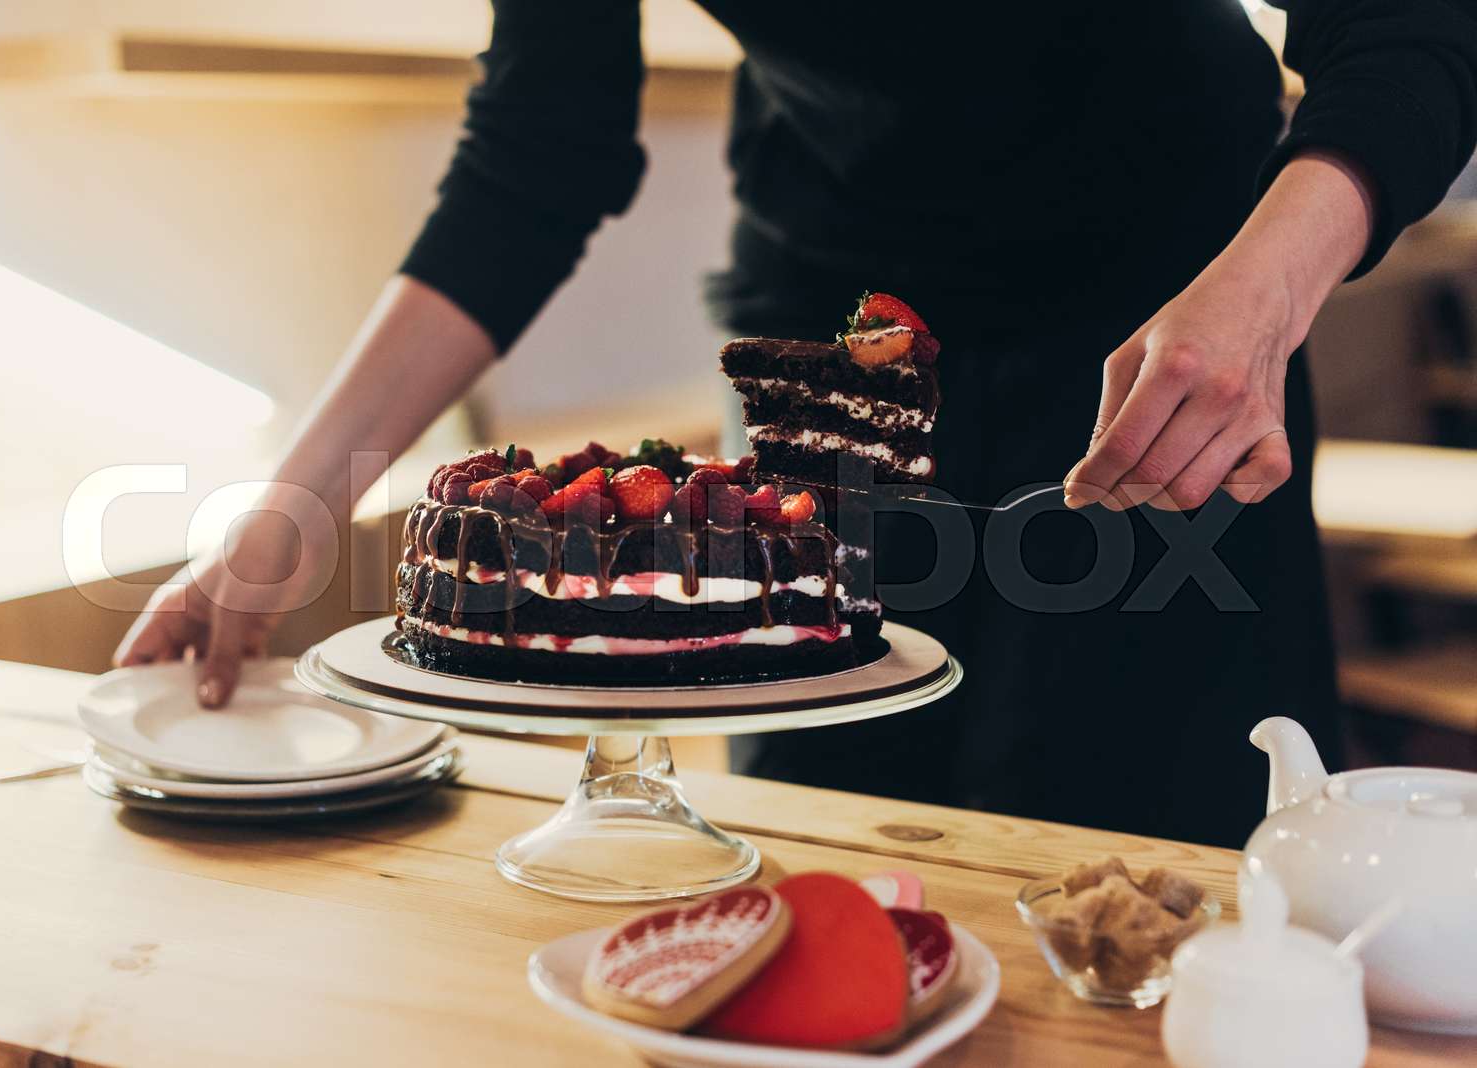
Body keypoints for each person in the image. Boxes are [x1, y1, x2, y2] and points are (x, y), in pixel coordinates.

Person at [117, 2, 1477, 846]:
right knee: (831, 847)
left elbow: (1406, 22)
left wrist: (1266, 292)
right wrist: (292, 506)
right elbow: (541, 143)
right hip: (835, 343)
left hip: (1174, 309)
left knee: (1149, 859)